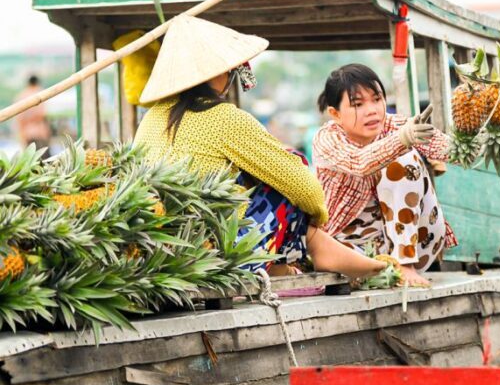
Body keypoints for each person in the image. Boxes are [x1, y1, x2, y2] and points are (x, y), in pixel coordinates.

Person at [133, 15, 386, 281]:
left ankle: (293, 259)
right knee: (290, 169)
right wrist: (318, 218)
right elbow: (304, 188)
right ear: (218, 71)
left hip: (159, 249)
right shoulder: (225, 118)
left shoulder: (151, 118)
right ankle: (319, 249)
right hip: (213, 253)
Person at [313, 64, 457, 287]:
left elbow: (448, 151)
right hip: (355, 247)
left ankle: (404, 263)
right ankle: (380, 270)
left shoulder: (397, 124)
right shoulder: (327, 139)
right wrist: (402, 140)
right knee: (396, 156)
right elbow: (360, 162)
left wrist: (470, 134)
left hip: (419, 244)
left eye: (377, 99)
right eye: (358, 104)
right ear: (336, 114)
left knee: (404, 161)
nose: (372, 110)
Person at [14, 75, 51, 155]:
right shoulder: (40, 93)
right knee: (44, 162)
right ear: (37, 83)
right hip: (40, 133)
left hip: (27, 134)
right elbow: (42, 114)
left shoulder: (21, 96)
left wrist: (22, 136)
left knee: (30, 162)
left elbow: (20, 119)